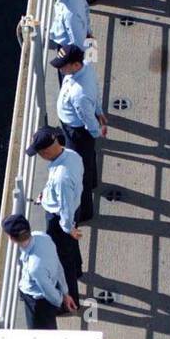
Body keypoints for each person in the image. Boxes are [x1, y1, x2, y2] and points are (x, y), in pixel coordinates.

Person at [26, 126, 84, 307]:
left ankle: (70, 302)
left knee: (63, 260)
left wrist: (68, 229)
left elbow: (65, 207)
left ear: (45, 152)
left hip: (60, 220)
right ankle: (78, 271)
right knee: (71, 252)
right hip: (73, 209)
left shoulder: (61, 178)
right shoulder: (71, 155)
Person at [52, 44, 108, 223]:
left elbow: (87, 119)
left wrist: (97, 131)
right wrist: (99, 111)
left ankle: (84, 212)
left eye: (64, 65)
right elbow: (96, 93)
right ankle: (93, 182)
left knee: (79, 172)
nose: (60, 68)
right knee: (88, 160)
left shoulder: (79, 93)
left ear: (75, 65)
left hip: (76, 133)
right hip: (75, 130)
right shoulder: (85, 69)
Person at [2, 213, 76, 330]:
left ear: (11, 238)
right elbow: (58, 267)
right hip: (44, 295)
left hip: (38, 303)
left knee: (39, 333)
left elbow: (49, 292)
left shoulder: (34, 268)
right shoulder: (43, 237)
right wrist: (65, 293)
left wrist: (61, 300)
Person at [41, 0, 89, 78]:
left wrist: (70, 70)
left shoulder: (69, 16)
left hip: (68, 51)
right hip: (81, 38)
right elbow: (86, 9)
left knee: (65, 78)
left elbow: (77, 45)